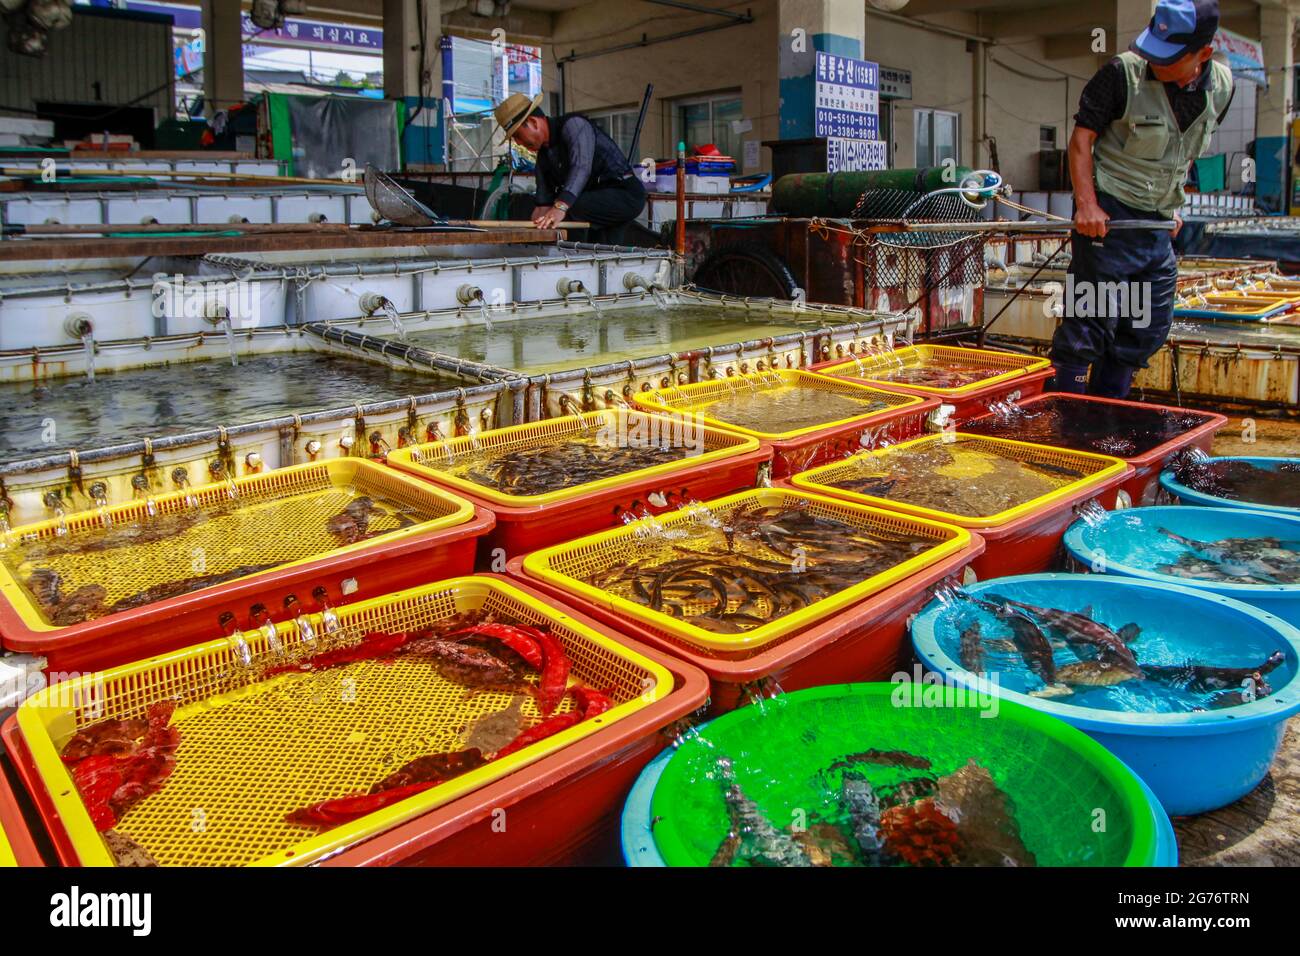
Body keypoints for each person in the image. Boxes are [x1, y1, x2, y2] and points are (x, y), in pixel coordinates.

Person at [1051, 0, 1233, 399]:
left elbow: (1182, 151)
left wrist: (1174, 205)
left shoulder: (1222, 86)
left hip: (1157, 227)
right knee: (1089, 321)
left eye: (1169, 57)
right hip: (1109, 219)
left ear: (1204, 53)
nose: (1154, 60)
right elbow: (1081, 142)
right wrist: (1086, 205)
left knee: (1145, 326)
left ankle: (1109, 412)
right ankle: (1067, 418)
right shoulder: (1121, 74)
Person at [493, 92, 647, 243]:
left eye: (518, 136)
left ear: (534, 123)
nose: (519, 143)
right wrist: (533, 228)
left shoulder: (574, 126)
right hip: (594, 200)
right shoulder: (543, 156)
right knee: (597, 247)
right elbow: (542, 206)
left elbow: (581, 168)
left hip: (625, 194)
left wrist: (560, 207)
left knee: (571, 206)